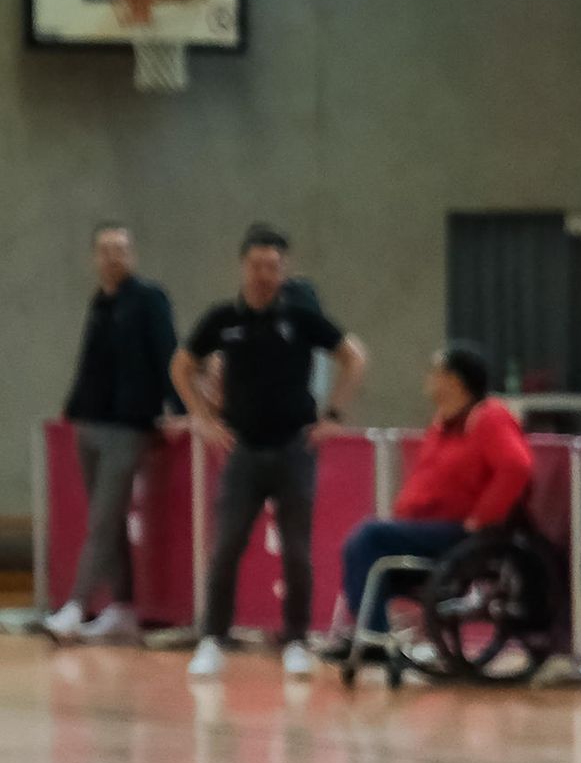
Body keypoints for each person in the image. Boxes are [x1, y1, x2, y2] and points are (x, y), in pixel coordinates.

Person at [173, 224, 366, 680]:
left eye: (273, 267)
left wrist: (334, 414)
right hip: (242, 450)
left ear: (284, 269)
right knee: (226, 547)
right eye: (257, 265)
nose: (264, 274)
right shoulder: (223, 319)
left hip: (295, 448)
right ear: (243, 265)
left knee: (298, 551)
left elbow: (354, 355)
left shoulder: (300, 318)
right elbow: (181, 365)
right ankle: (212, 640)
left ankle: (296, 641)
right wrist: (201, 416)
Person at [335, 341, 531, 637]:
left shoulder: (489, 418)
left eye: (434, 372)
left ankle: (373, 635)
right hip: (425, 529)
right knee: (362, 548)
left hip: (458, 533)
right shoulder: (443, 424)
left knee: (368, 536)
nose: (428, 378)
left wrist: (481, 519)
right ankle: (368, 631)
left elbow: (517, 468)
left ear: (453, 381)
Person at [45, 225, 179, 645]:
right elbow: (90, 360)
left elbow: (168, 353)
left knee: (102, 517)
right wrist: (73, 403)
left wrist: (179, 408)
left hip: (129, 425)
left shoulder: (149, 300)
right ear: (94, 259)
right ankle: (122, 607)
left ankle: (76, 605)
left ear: (132, 255)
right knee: (112, 519)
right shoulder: (100, 304)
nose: (113, 258)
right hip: (91, 423)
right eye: (105, 251)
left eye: (120, 250)